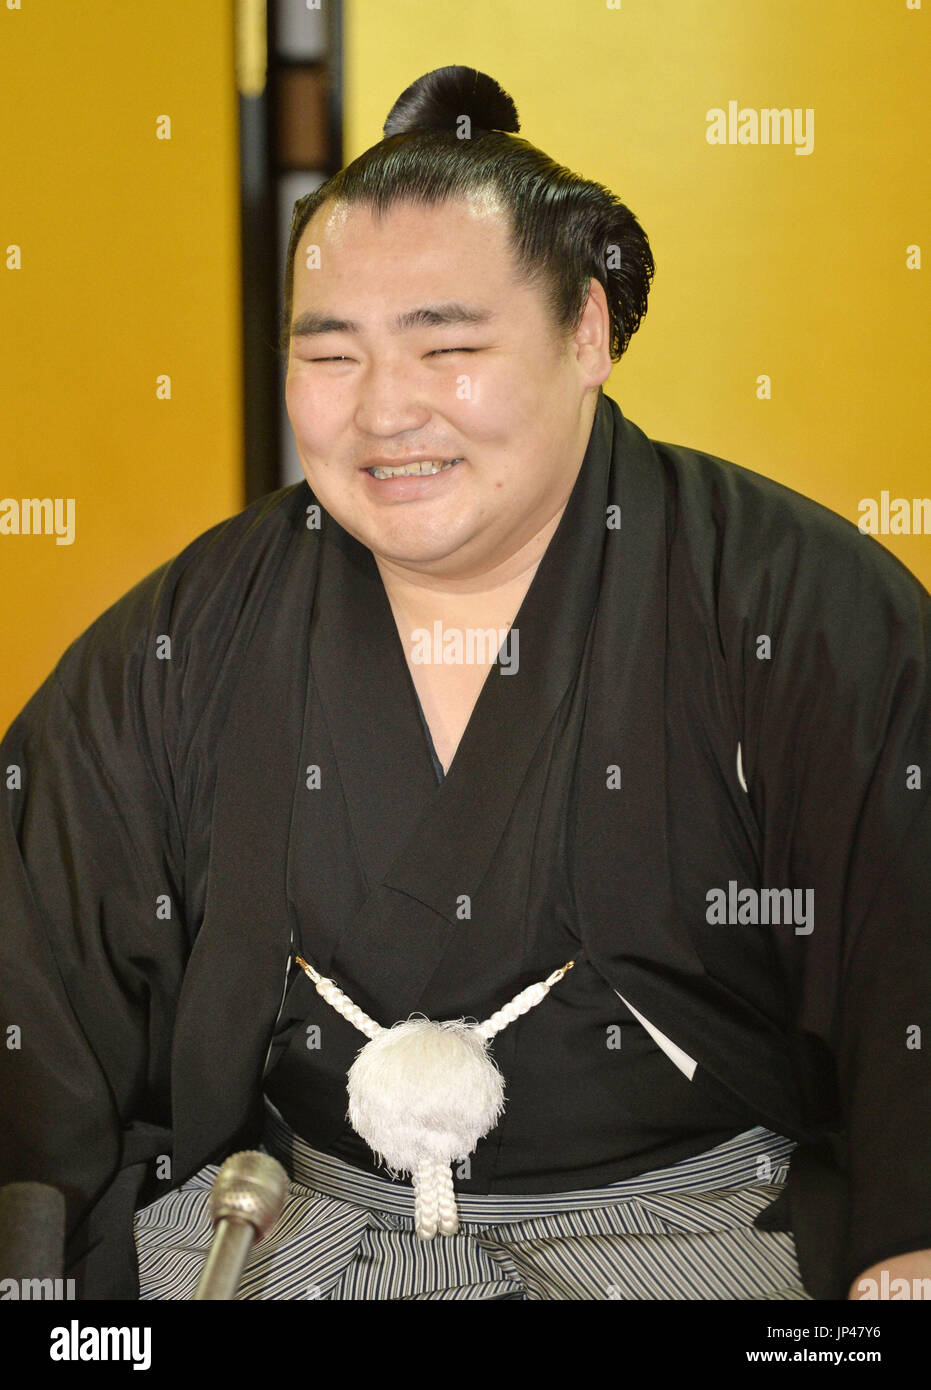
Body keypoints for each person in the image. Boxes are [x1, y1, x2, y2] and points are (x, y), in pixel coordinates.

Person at [1, 66, 929, 1302]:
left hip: (692, 1236)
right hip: (294, 1230)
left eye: (448, 346)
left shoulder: (791, 600)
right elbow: (35, 972)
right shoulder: (197, 625)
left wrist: (907, 1241)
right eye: (329, 356)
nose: (386, 411)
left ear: (587, 333)